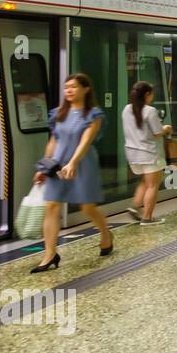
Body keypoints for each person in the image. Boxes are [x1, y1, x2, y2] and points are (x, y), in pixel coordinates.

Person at [30, 73, 112, 272]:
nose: (68, 90)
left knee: (87, 208)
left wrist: (73, 162)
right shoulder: (58, 113)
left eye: (73, 87)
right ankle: (50, 254)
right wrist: (44, 167)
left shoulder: (93, 114)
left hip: (83, 164)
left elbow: (86, 141)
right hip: (57, 164)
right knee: (52, 206)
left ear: (86, 89)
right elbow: (54, 141)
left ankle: (106, 234)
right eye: (66, 87)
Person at [122, 81, 172, 225]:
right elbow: (157, 133)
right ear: (147, 94)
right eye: (152, 94)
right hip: (150, 154)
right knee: (153, 185)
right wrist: (167, 128)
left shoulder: (126, 109)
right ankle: (147, 217)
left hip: (132, 154)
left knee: (145, 181)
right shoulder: (150, 111)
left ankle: (135, 206)